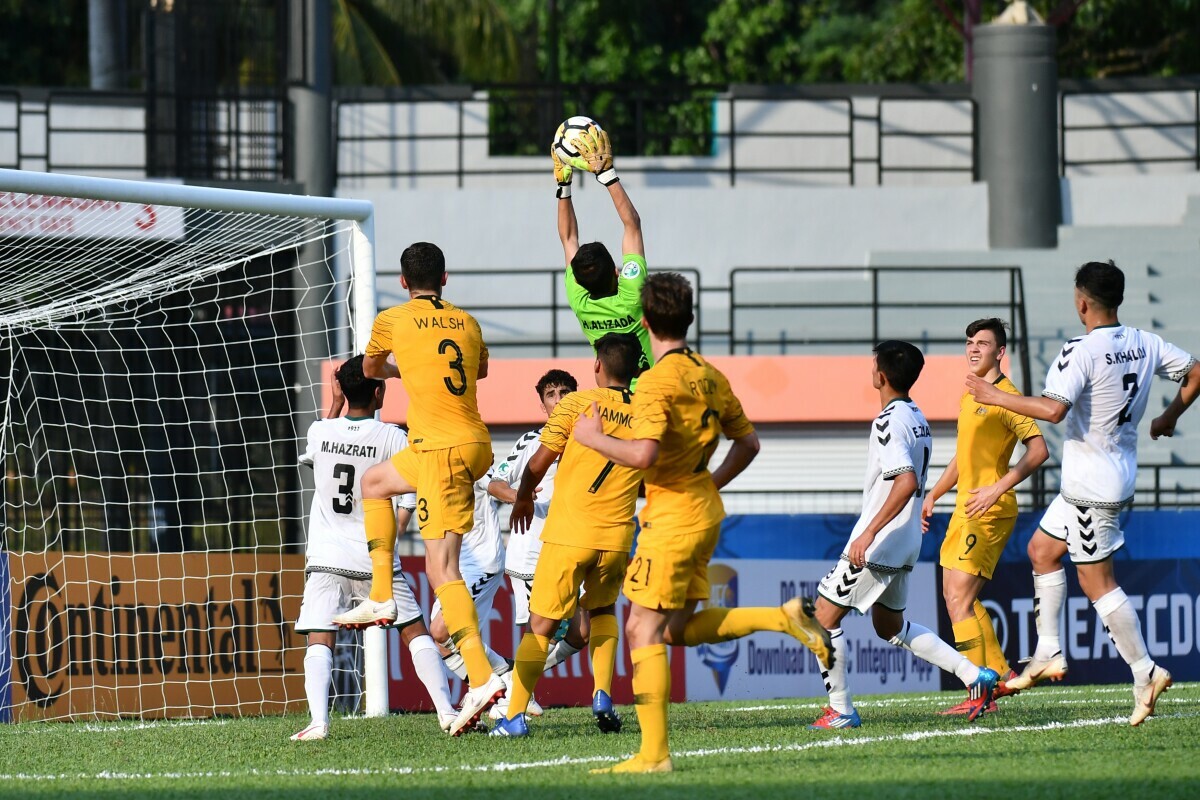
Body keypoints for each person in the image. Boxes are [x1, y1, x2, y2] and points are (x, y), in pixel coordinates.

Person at [571, 273, 832, 773]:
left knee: (640, 628)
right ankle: (782, 618)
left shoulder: (654, 382)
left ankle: (654, 755)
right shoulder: (712, 376)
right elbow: (749, 443)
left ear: (645, 322)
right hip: (706, 512)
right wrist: (711, 482)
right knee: (675, 630)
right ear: (689, 318)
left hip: (671, 518)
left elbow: (644, 453)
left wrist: (592, 437)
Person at [967, 260, 1199, 726]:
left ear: (1082, 302)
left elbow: (1053, 411)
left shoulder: (1082, 350)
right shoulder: (1145, 341)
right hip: (1096, 480)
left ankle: (1145, 670)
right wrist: (1168, 417)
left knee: (1097, 582)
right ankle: (1049, 650)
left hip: (1093, 487)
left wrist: (997, 397)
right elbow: (1195, 372)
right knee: (1042, 551)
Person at [332, 242, 501, 737]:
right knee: (375, 482)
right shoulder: (467, 321)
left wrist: (404, 366)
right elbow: (482, 371)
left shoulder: (393, 318)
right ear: (445, 279)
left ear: (403, 281)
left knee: (440, 568)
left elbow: (367, 371)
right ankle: (382, 594)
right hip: (462, 442)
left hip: (442, 450)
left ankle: (483, 676)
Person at [810, 341, 999, 731]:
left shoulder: (887, 422)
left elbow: (905, 481)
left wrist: (869, 533)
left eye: (872, 364)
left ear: (880, 375)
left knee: (823, 616)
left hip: (882, 540)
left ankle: (841, 710)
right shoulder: (916, 416)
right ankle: (973, 675)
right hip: (907, 538)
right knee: (890, 626)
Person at [292, 356, 456, 739]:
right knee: (415, 631)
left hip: (327, 556)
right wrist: (396, 529)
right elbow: (411, 491)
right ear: (379, 390)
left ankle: (319, 722)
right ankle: (447, 712)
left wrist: (334, 402)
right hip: (375, 557)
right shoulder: (393, 438)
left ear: (343, 391)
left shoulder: (319, 431)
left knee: (320, 635)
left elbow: (319, 448)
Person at [490, 333, 645, 738]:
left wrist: (523, 499)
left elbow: (539, 462)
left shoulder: (577, 404)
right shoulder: (648, 411)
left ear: (597, 366)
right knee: (603, 613)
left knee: (539, 627)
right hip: (616, 538)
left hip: (569, 534)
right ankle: (602, 694)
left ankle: (514, 717)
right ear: (635, 371)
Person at [921, 319, 1048, 715]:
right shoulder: (971, 391)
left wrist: (999, 486)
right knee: (955, 596)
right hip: (963, 509)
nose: (973, 349)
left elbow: (1039, 450)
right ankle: (1000, 674)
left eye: (983, 343)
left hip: (988, 511)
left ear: (1000, 352)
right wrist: (935, 494)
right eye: (970, 342)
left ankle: (980, 693)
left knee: (959, 597)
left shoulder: (1005, 396)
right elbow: (965, 454)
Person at [554, 123, 654, 379]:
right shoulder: (631, 297)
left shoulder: (581, 304)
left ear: (576, 279)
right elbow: (632, 225)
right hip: (647, 398)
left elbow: (568, 238)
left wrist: (563, 183)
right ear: (616, 271)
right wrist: (607, 174)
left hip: (611, 403)